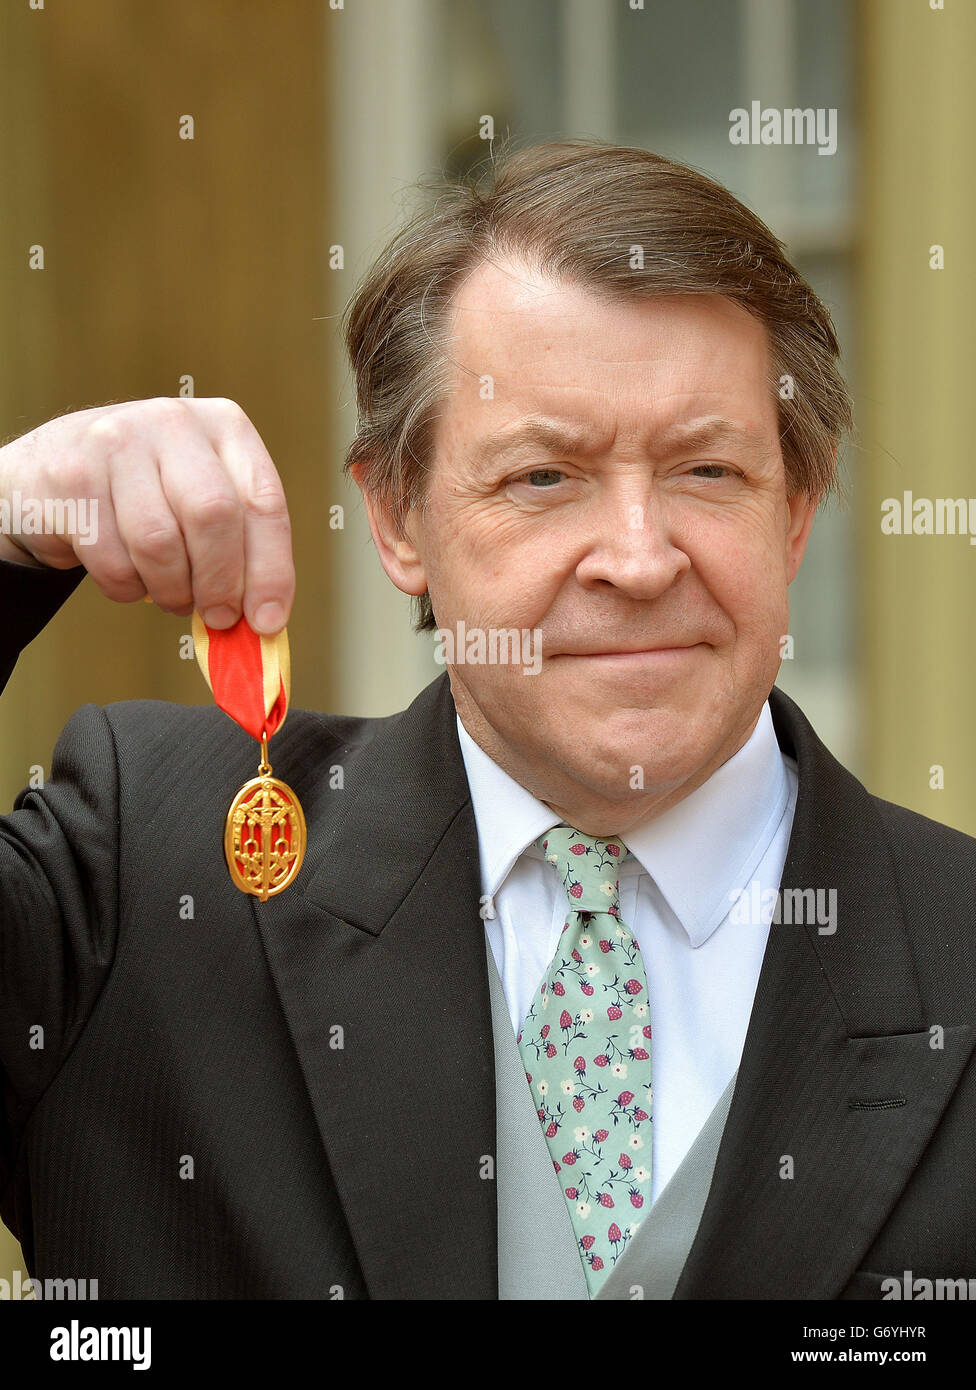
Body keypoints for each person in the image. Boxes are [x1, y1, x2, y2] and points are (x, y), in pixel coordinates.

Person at [1, 139, 973, 1300]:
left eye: (706, 471)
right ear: (398, 515)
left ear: (796, 510)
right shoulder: (143, 873)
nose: (636, 557)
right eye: (542, 478)